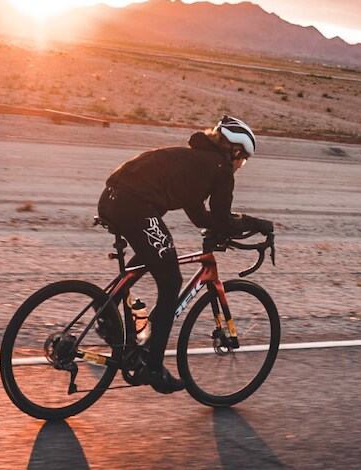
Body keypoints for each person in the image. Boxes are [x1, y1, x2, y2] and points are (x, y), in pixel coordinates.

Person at [96, 115, 260, 393]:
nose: (239, 166)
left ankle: (105, 309)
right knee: (171, 280)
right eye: (242, 159)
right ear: (234, 150)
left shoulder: (195, 161)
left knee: (159, 254)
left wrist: (225, 225)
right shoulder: (219, 169)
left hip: (111, 198)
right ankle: (154, 368)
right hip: (134, 205)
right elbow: (221, 220)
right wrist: (257, 225)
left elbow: (200, 217)